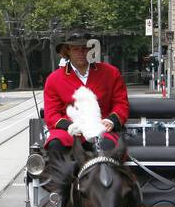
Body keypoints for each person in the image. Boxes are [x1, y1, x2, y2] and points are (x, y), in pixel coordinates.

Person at [42, 28, 129, 161]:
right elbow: (51, 114)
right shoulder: (53, 79)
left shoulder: (111, 73)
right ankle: (62, 182)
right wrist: (69, 126)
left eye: (85, 48)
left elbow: (121, 103)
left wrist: (112, 120)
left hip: (101, 129)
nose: (81, 52)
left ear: (91, 50)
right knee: (55, 145)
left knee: (110, 147)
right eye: (75, 49)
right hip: (69, 132)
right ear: (67, 51)